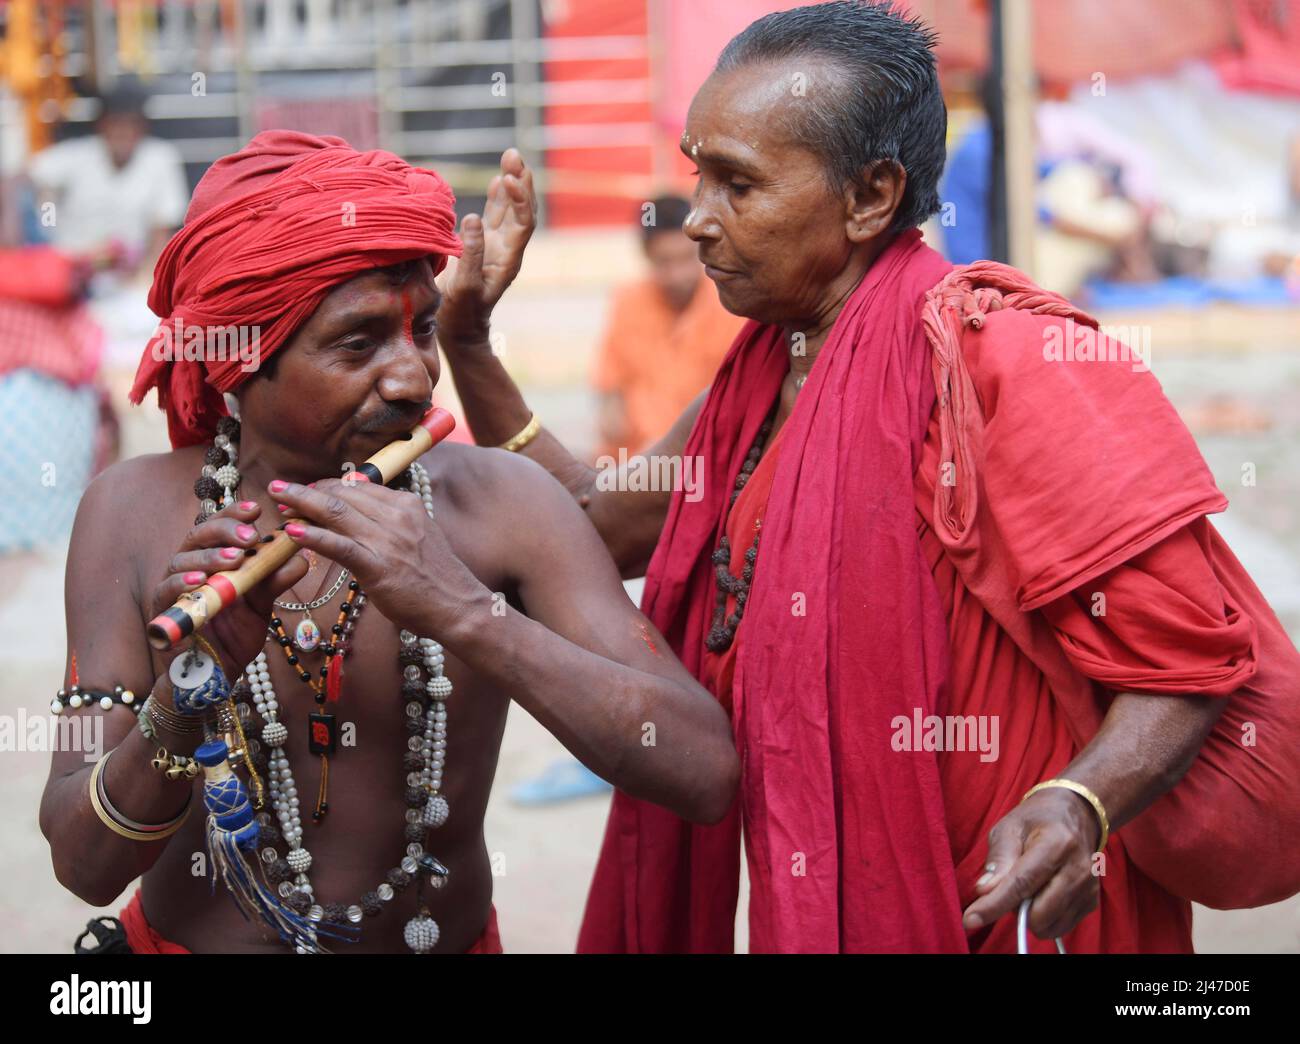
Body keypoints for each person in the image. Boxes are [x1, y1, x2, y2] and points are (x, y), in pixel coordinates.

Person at [438, 2, 1299, 952]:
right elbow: (596, 526)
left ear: (870, 197)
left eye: (738, 185)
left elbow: (1186, 660)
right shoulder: (770, 363)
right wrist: (469, 341)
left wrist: (1080, 803)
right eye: (699, 175)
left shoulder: (1003, 357)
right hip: (820, 897)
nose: (699, 223)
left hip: (1007, 905)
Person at [38, 130, 739, 954]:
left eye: (425, 332)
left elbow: (701, 768)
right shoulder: (130, 511)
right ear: (242, 356)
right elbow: (84, 863)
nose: (413, 378)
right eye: (358, 342)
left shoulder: (503, 503)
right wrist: (187, 694)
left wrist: (469, 613)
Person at [592, 194, 744, 458]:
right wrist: (612, 420)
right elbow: (609, 391)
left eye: (685, 259)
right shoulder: (627, 301)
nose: (677, 276)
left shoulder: (732, 306)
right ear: (646, 254)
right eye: (664, 262)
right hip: (631, 465)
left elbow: (740, 407)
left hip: (706, 459)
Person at [27, 80, 189, 276]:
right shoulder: (75, 155)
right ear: (102, 125)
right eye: (116, 123)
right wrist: (45, 222)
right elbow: (25, 178)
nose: (124, 131)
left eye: (132, 124)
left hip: (129, 278)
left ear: (143, 127)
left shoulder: (160, 159)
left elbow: (162, 230)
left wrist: (147, 281)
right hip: (71, 274)